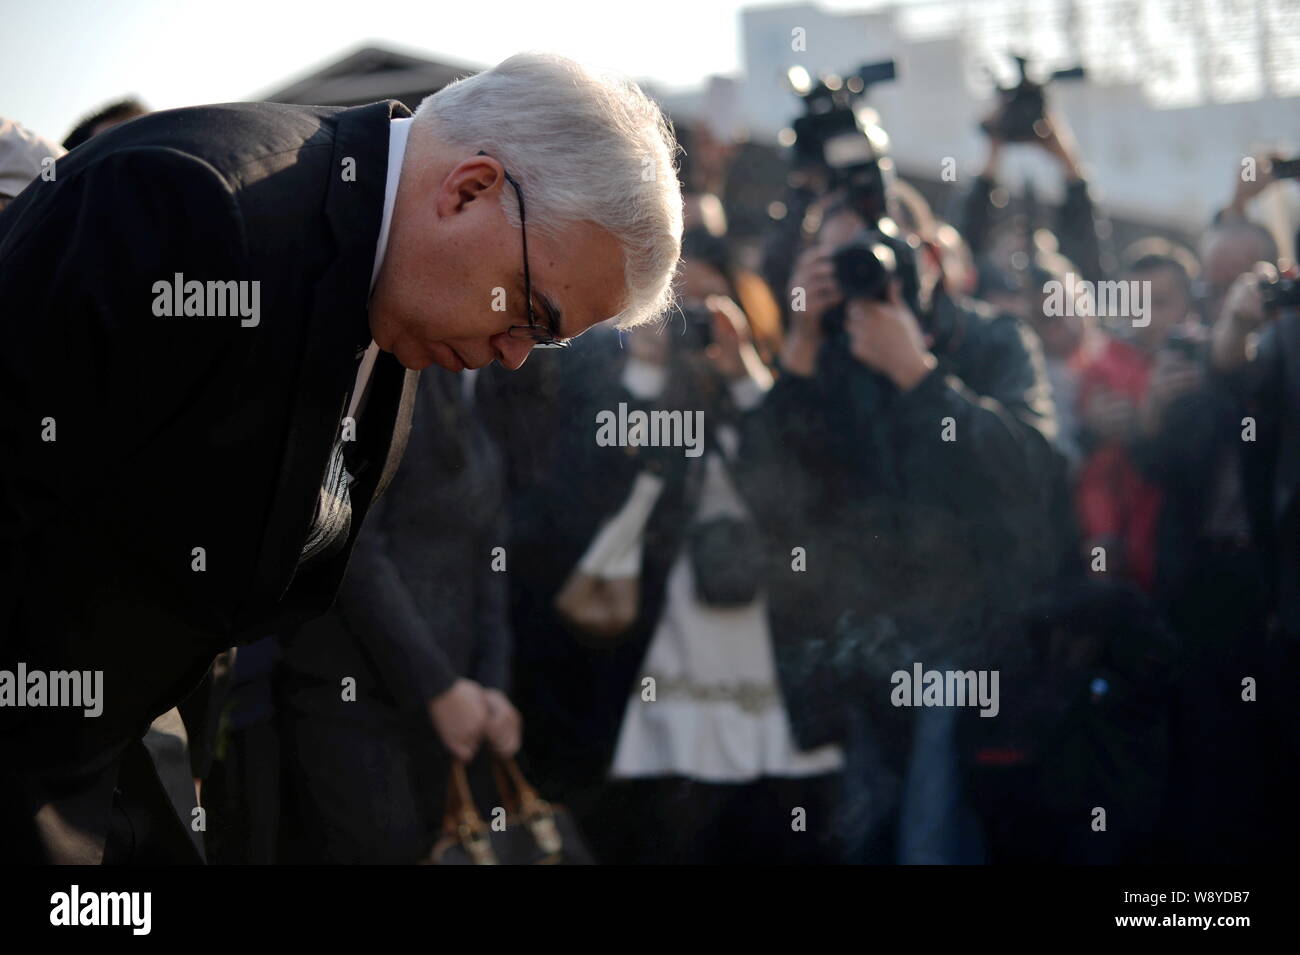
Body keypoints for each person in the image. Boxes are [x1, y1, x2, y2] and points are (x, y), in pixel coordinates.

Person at [0, 52, 683, 863]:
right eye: (530, 312)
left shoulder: (390, 283)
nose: (514, 357)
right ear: (468, 189)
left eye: (547, 339)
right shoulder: (190, 204)